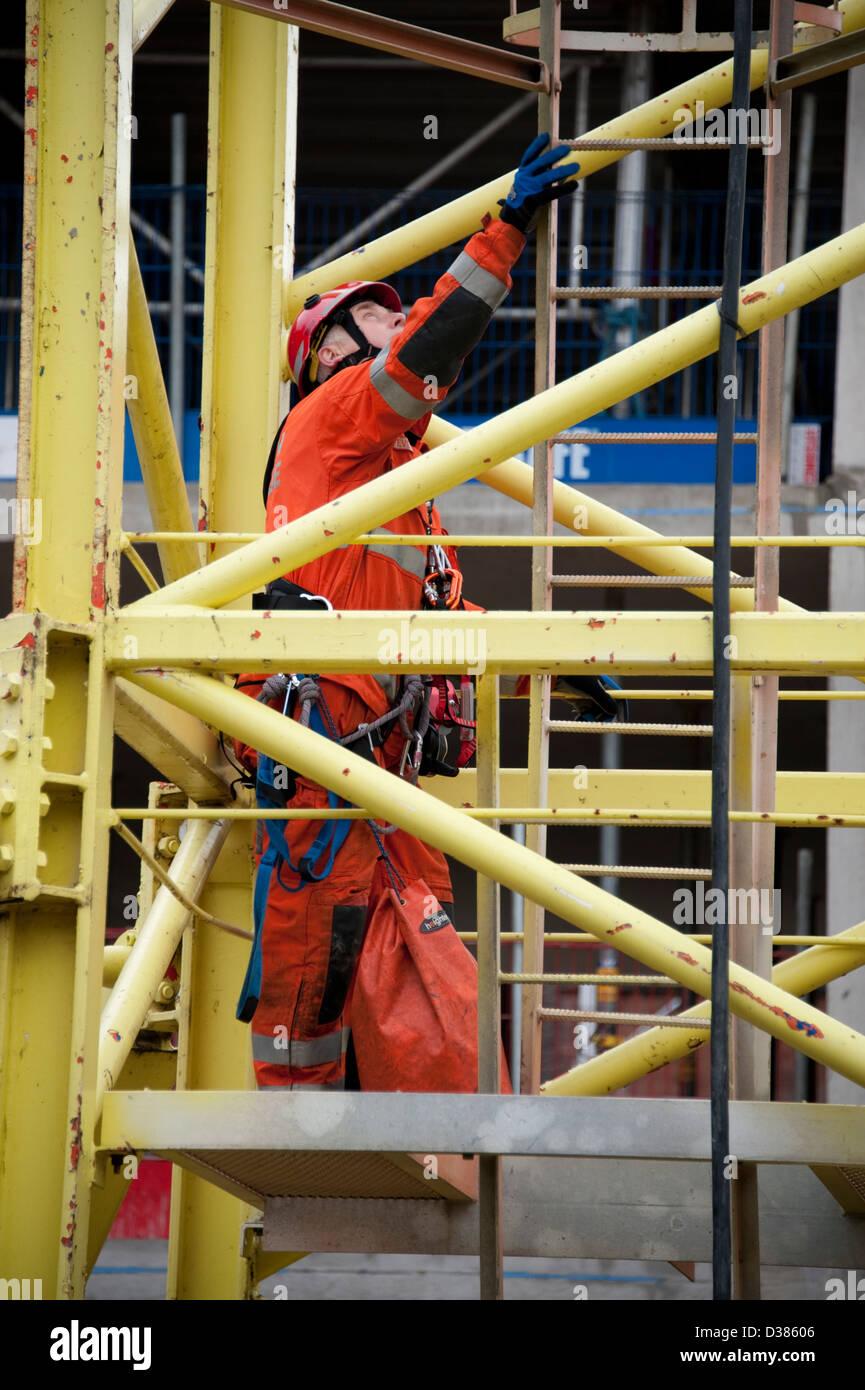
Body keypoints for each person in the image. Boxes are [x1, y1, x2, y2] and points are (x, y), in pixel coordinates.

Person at [233, 137, 618, 1090]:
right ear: (318, 358)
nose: (383, 328)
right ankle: (298, 1133)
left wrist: (549, 665)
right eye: (362, 321)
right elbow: (420, 358)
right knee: (313, 946)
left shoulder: (401, 476)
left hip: (382, 759)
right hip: (325, 741)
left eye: (385, 314)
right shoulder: (326, 422)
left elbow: (445, 610)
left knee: (421, 944)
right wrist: (507, 231)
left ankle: (428, 1131)